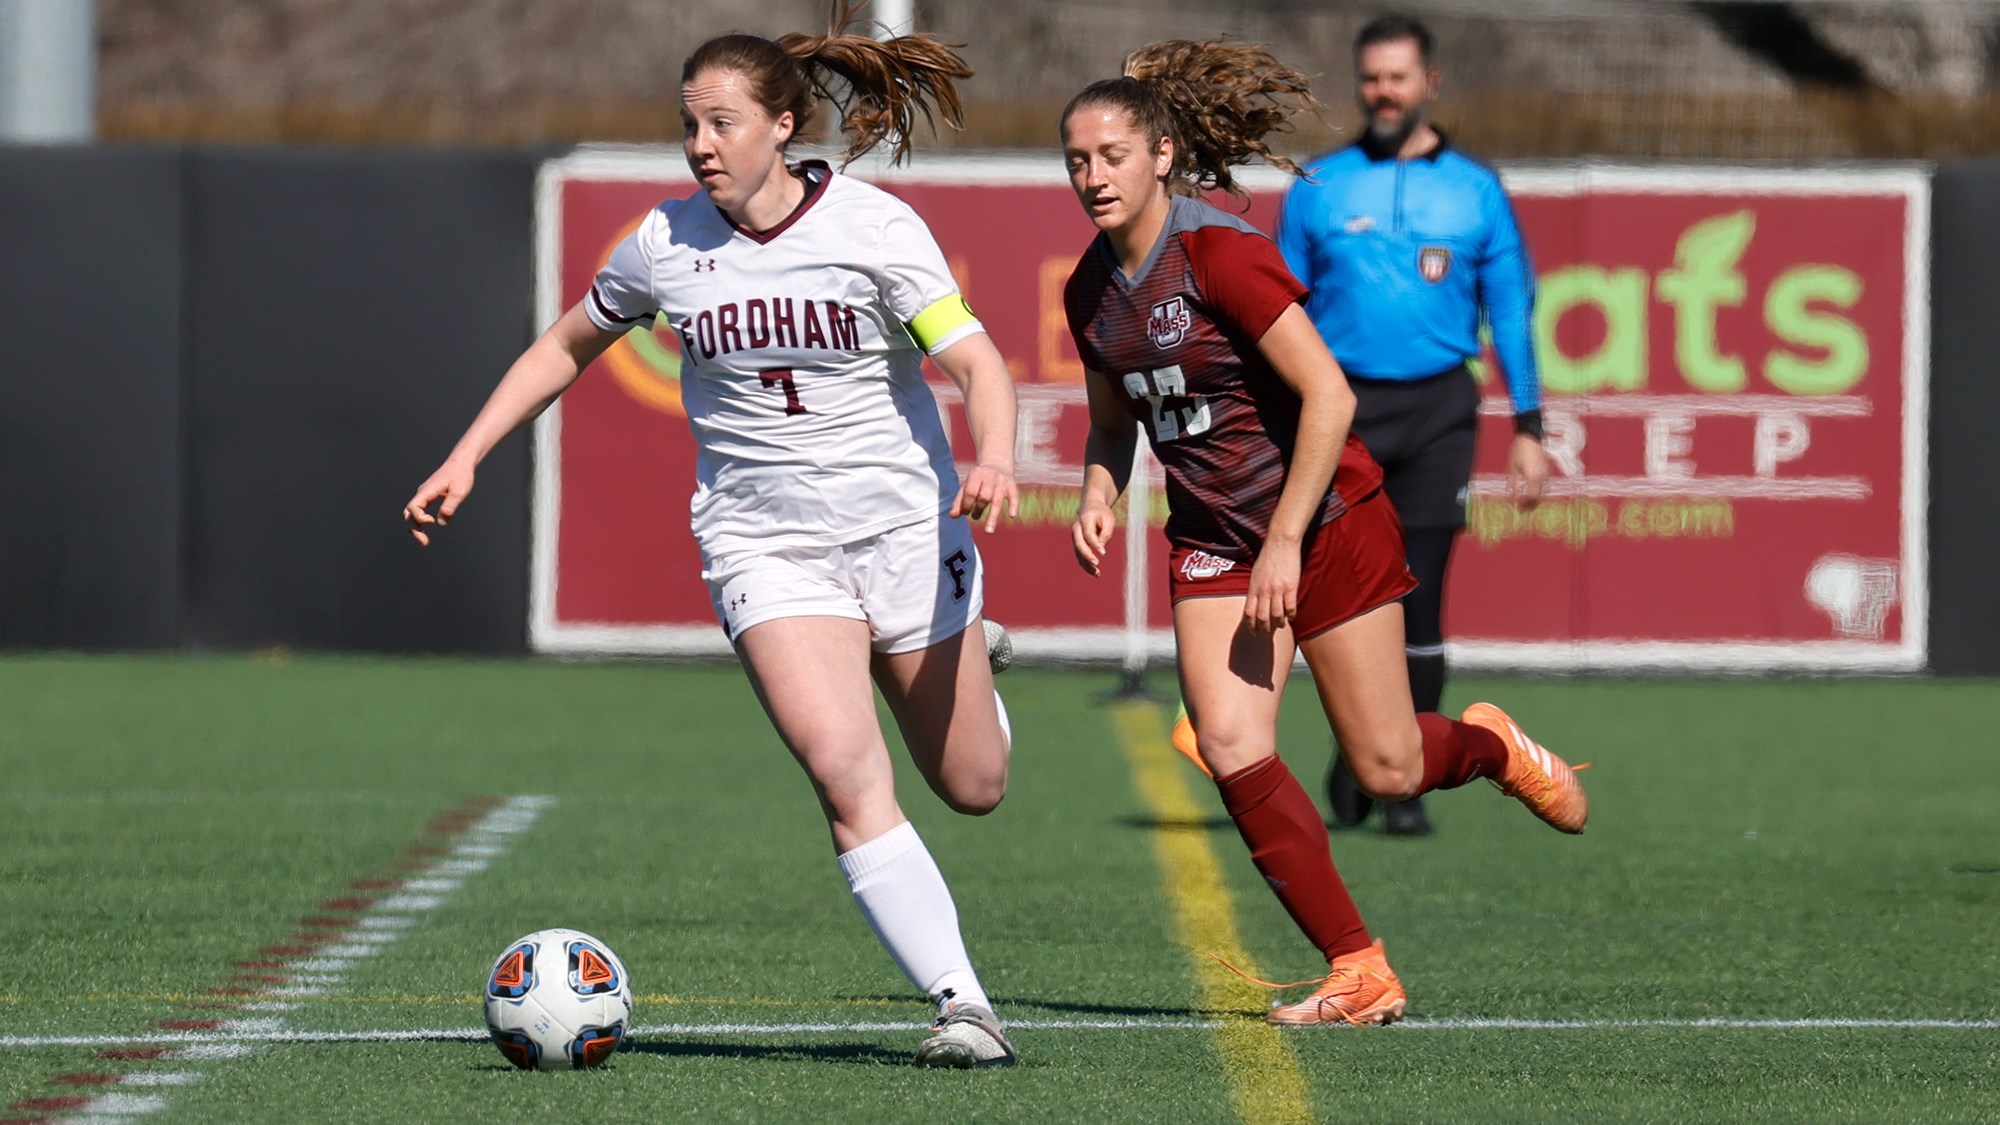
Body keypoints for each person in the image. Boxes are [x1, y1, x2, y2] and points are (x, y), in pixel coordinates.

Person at [404, 8, 1022, 1068]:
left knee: (972, 785)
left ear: (782, 126)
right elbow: (565, 346)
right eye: (689, 124)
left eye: (722, 123)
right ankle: (963, 1005)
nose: (700, 144)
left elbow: (976, 361)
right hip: (763, 544)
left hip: (901, 529)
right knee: (843, 772)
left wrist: (997, 454)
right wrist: (466, 454)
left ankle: (972, 653)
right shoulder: (664, 243)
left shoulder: (873, 228)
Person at [1061, 40, 1585, 1026]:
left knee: (1388, 766)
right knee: (1228, 743)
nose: (1093, 175)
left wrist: (1284, 542)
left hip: (1326, 520)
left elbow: (1329, 398)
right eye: (1078, 160)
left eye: (1112, 155)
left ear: (1162, 156)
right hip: (1213, 539)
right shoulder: (1088, 290)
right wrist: (1098, 488)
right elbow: (1110, 420)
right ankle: (1359, 968)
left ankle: (1491, 747)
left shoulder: (1218, 252)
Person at [1278, 13, 1550, 836]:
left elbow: (1511, 309)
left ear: (1429, 82)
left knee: (1421, 603)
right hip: (1340, 413)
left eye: (1398, 77)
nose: (1383, 92)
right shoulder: (1319, 184)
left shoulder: (1475, 189)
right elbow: (1278, 310)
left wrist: (1530, 425)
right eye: (1371, 78)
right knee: (1342, 602)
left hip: (1438, 413)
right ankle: (1360, 748)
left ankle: (1404, 784)